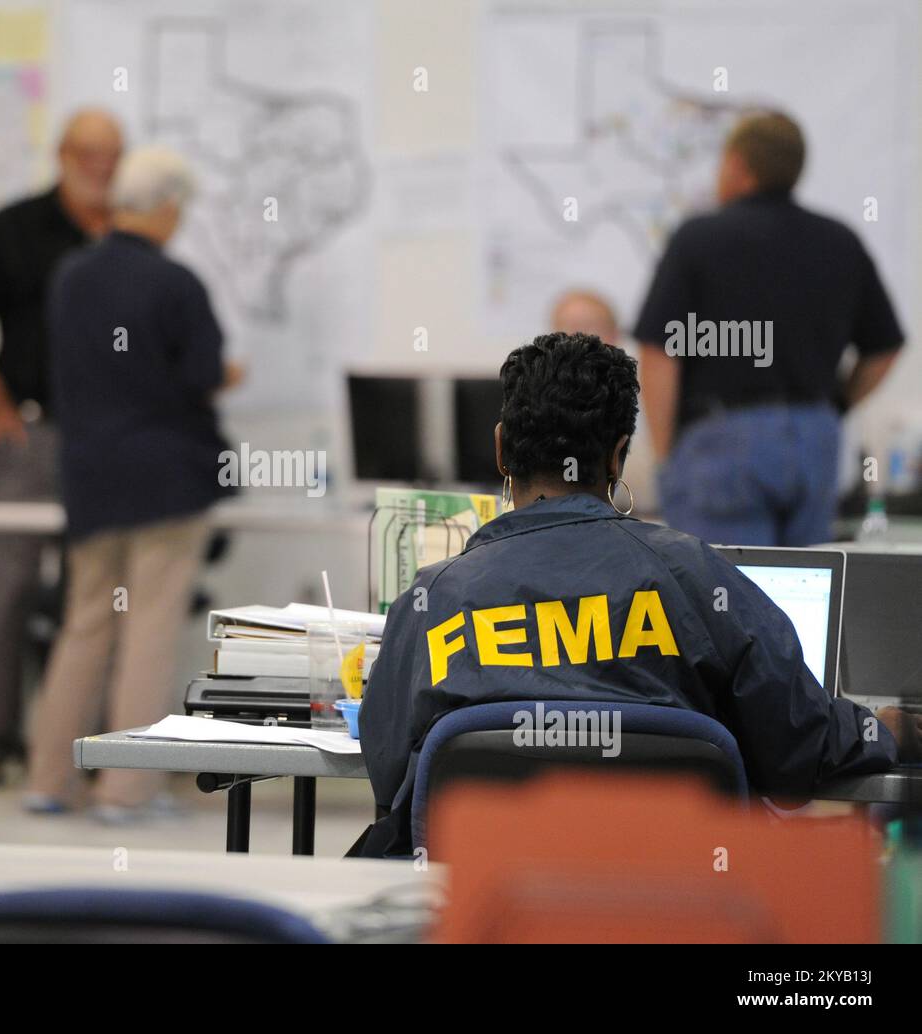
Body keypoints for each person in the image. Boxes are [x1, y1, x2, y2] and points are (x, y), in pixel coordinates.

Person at [355, 332, 917, 858]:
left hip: (486, 918)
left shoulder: (431, 601)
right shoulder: (696, 577)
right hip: (678, 915)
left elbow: (388, 772)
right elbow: (800, 748)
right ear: (619, 455)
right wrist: (889, 726)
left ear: (502, 450)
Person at [24, 146, 243, 821]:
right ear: (168, 204)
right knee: (148, 629)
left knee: (84, 626)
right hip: (166, 479)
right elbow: (203, 374)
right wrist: (228, 378)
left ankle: (48, 779)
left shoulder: (69, 275)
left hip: (90, 476)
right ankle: (126, 789)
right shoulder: (175, 283)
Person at [0, 110, 123, 785]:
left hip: (107, 442)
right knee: (6, 589)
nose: (101, 166)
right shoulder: (17, 227)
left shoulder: (129, 235)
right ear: (62, 154)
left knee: (94, 593)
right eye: (89, 153)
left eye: (113, 155)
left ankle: (86, 744)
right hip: (33, 434)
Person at [634, 110, 905, 546]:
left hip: (723, 441)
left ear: (739, 167)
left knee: (721, 593)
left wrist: (666, 457)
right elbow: (885, 347)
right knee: (808, 590)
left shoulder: (699, 238)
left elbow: (659, 353)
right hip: (814, 439)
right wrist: (834, 405)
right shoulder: (840, 241)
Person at [549, 288, 655, 514]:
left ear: (615, 335)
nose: (578, 336)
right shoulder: (540, 393)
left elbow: (652, 473)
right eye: (565, 328)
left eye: (591, 326)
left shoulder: (640, 389)